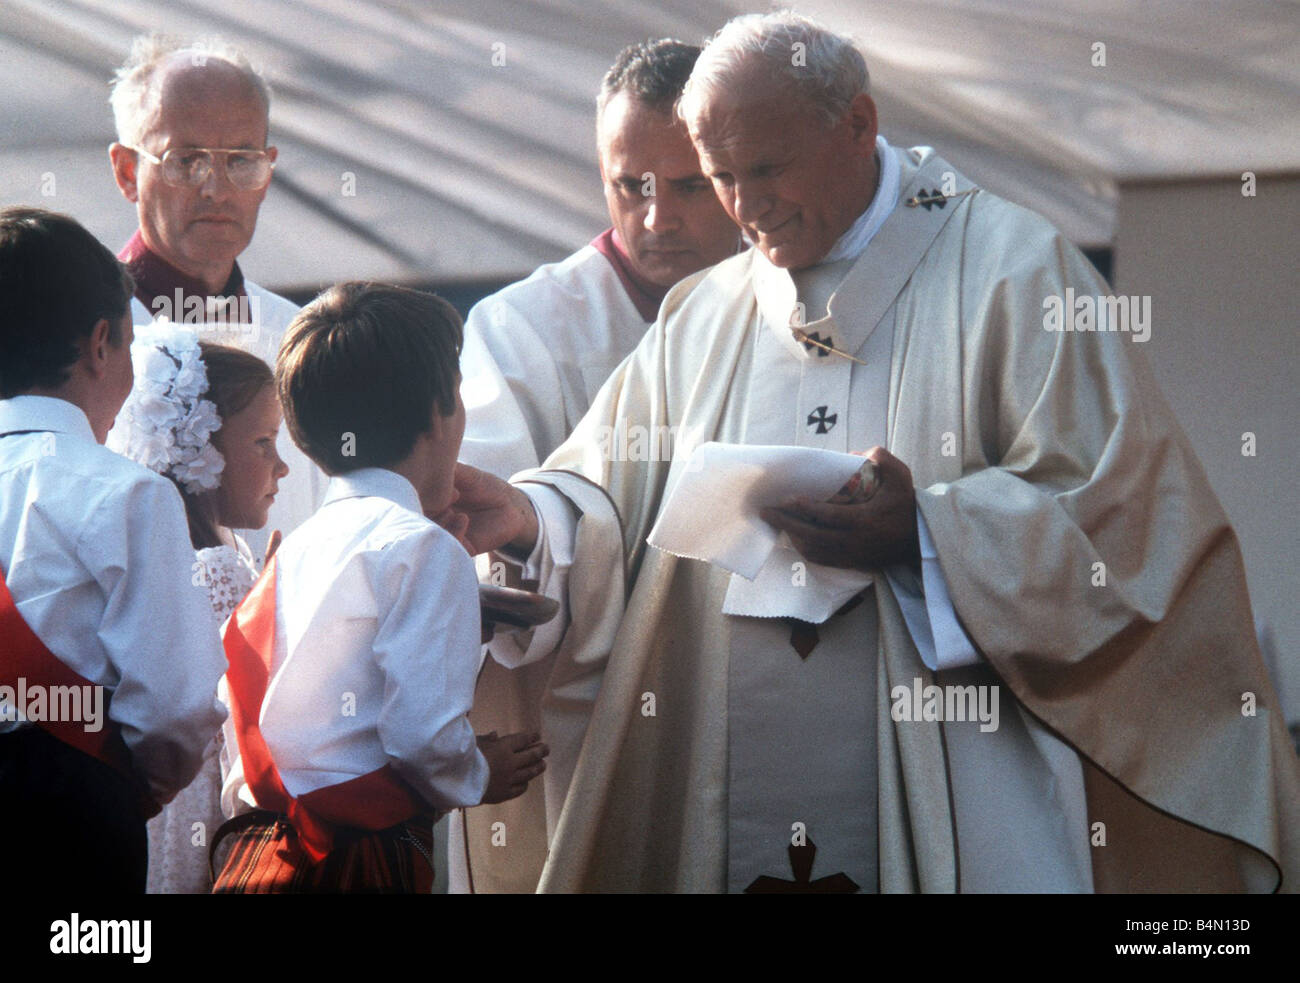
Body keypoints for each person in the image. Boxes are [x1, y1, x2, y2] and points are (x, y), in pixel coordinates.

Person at [445, 12, 1300, 892]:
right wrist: (531, 520)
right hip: (728, 770)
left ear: (858, 125)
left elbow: (1121, 518)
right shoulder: (705, 311)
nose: (747, 207)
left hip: (960, 765)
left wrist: (932, 533)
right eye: (724, 177)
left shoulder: (1013, 272)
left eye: (767, 168)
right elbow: (609, 494)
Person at [451, 36, 741, 894]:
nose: (658, 218)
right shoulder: (520, 330)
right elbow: (494, 540)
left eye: (689, 185)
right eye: (630, 186)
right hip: (585, 715)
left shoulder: (790, 311)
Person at [213, 282, 548, 893]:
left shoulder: (297, 549)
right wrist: (476, 772)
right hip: (362, 860)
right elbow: (421, 733)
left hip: (267, 848)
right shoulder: (424, 549)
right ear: (441, 413)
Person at [0, 206, 225, 893]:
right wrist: (127, 787)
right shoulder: (129, 495)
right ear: (101, 343)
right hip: (65, 821)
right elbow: (176, 708)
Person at [107, 33, 324, 556]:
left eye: (241, 161)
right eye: (186, 161)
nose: (217, 189)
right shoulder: (74, 345)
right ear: (127, 172)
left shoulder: (305, 345)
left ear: (268, 171)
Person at [108, 327, 288, 892]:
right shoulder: (218, 568)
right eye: (264, 443)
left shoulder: (185, 553)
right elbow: (251, 715)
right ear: (200, 448)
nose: (282, 467)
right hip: (207, 811)